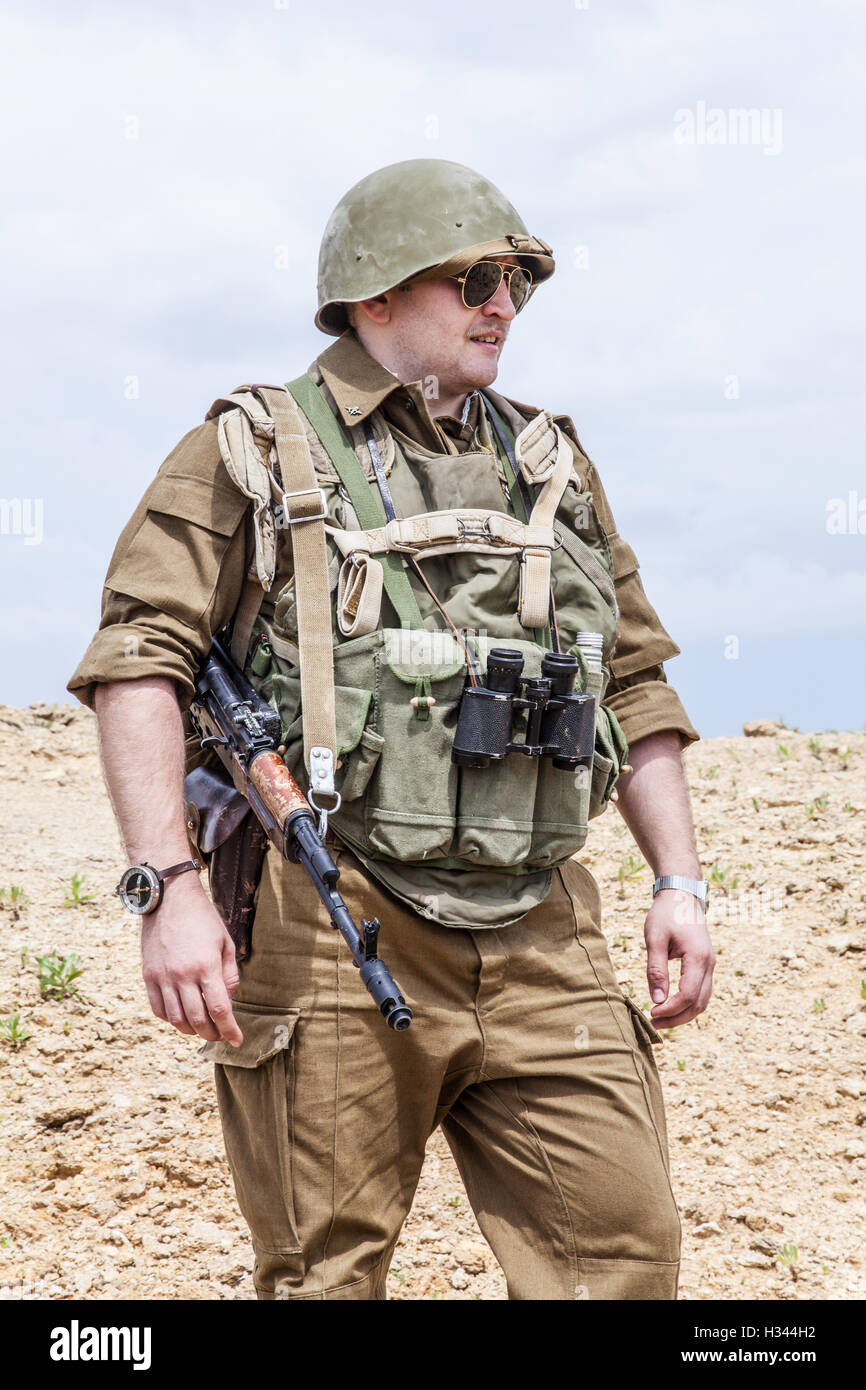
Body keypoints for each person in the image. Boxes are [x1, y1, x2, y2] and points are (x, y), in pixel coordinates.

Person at [68, 158, 714, 1301]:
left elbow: (633, 683)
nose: (501, 303)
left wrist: (679, 882)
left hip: (543, 924)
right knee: (327, 1275)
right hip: (333, 913)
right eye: (472, 278)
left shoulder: (552, 469)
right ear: (373, 297)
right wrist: (165, 885)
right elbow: (140, 658)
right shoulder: (251, 447)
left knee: (620, 1256)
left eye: (514, 278)